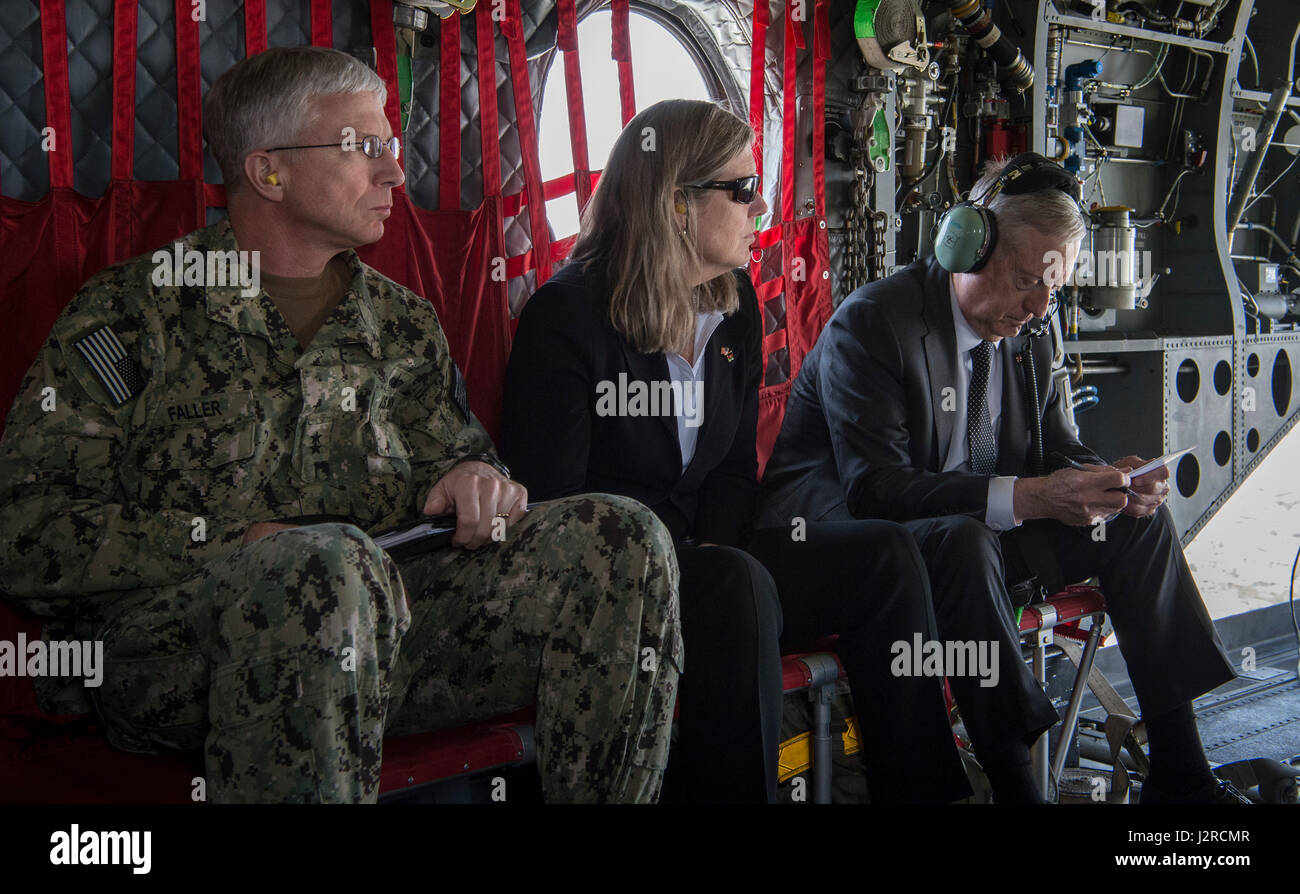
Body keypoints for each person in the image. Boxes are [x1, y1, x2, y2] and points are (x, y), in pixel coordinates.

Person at [0, 46, 682, 804]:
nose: (396, 172)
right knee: (323, 566)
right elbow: (27, 531)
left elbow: (458, 464)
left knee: (624, 537)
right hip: (181, 655)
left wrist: (476, 481)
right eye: (365, 148)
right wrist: (235, 546)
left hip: (390, 628)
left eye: (392, 146)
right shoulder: (133, 314)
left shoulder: (402, 322)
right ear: (269, 173)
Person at [502, 99, 971, 803]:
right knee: (733, 587)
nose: (761, 205)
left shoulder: (736, 306)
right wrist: (696, 564)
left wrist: (716, 551)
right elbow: (553, 506)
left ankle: (926, 795)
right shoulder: (567, 318)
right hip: (615, 587)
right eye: (743, 189)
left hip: (708, 560)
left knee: (885, 555)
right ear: (677, 204)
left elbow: (729, 473)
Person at [758, 152, 1243, 804]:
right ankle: (1019, 786)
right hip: (862, 547)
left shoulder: (1027, 336)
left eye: (1055, 288)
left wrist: (1102, 478)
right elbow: (876, 488)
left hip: (973, 545)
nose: (1041, 308)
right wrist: (1030, 496)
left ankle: (1184, 773)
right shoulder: (876, 323)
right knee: (965, 539)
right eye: (1025, 282)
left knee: (1134, 525)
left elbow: (1054, 447)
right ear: (966, 246)